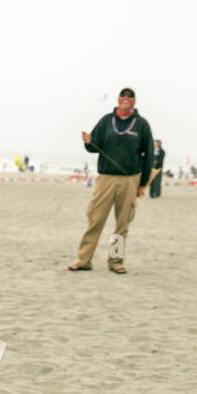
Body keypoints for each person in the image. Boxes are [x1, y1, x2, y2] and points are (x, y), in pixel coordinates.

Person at [66, 87, 154, 275]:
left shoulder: (142, 125)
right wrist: (88, 141)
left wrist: (143, 184)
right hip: (106, 178)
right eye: (123, 95)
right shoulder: (106, 120)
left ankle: (115, 262)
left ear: (134, 102)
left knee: (121, 225)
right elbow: (94, 147)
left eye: (130, 96)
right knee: (95, 220)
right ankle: (83, 260)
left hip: (130, 180)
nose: (126, 99)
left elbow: (148, 157)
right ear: (118, 99)